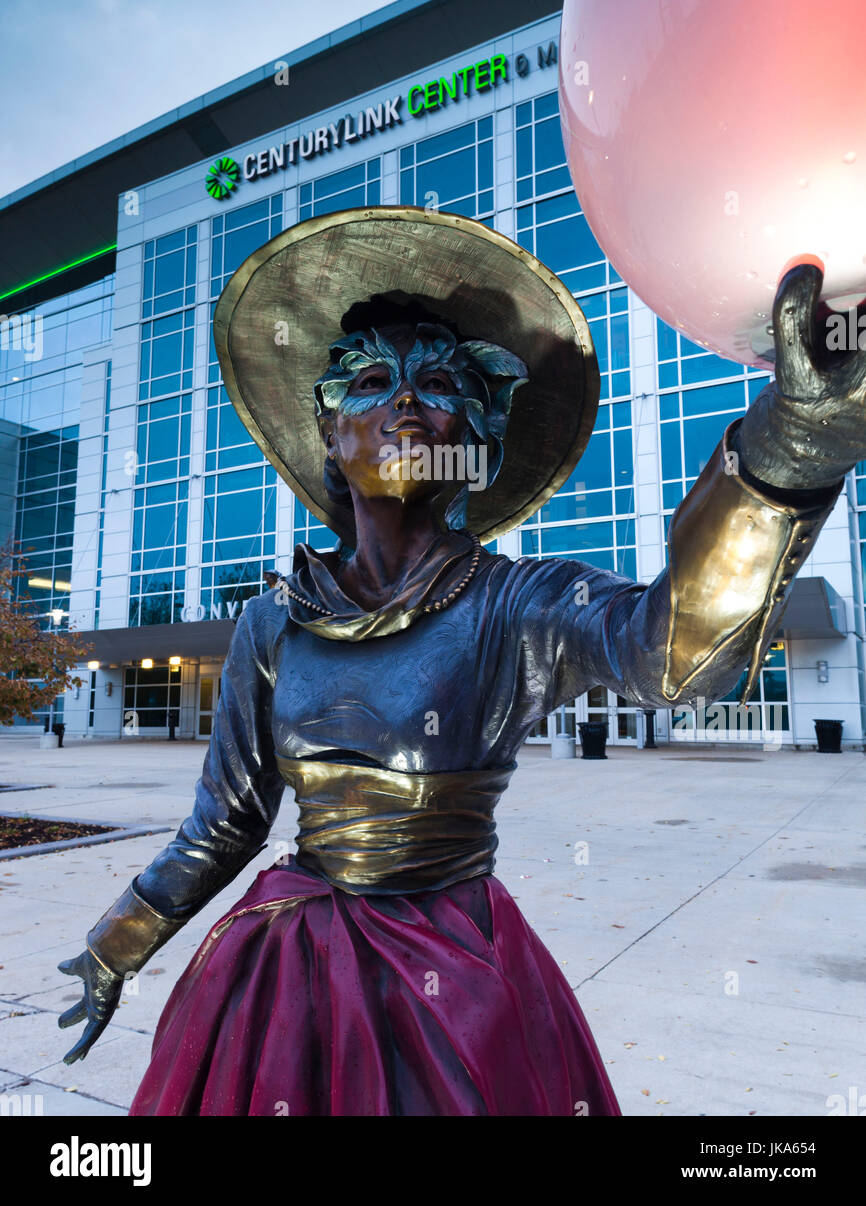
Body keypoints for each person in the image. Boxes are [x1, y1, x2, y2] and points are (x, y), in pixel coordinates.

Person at [57, 207, 865, 1116]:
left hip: (455, 974)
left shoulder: (517, 603)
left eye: (437, 383)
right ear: (329, 434)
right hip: (282, 976)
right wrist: (117, 942)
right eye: (369, 382)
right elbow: (226, 825)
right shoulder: (271, 623)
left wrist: (793, 447)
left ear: (475, 439)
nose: (404, 401)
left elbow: (679, 661)